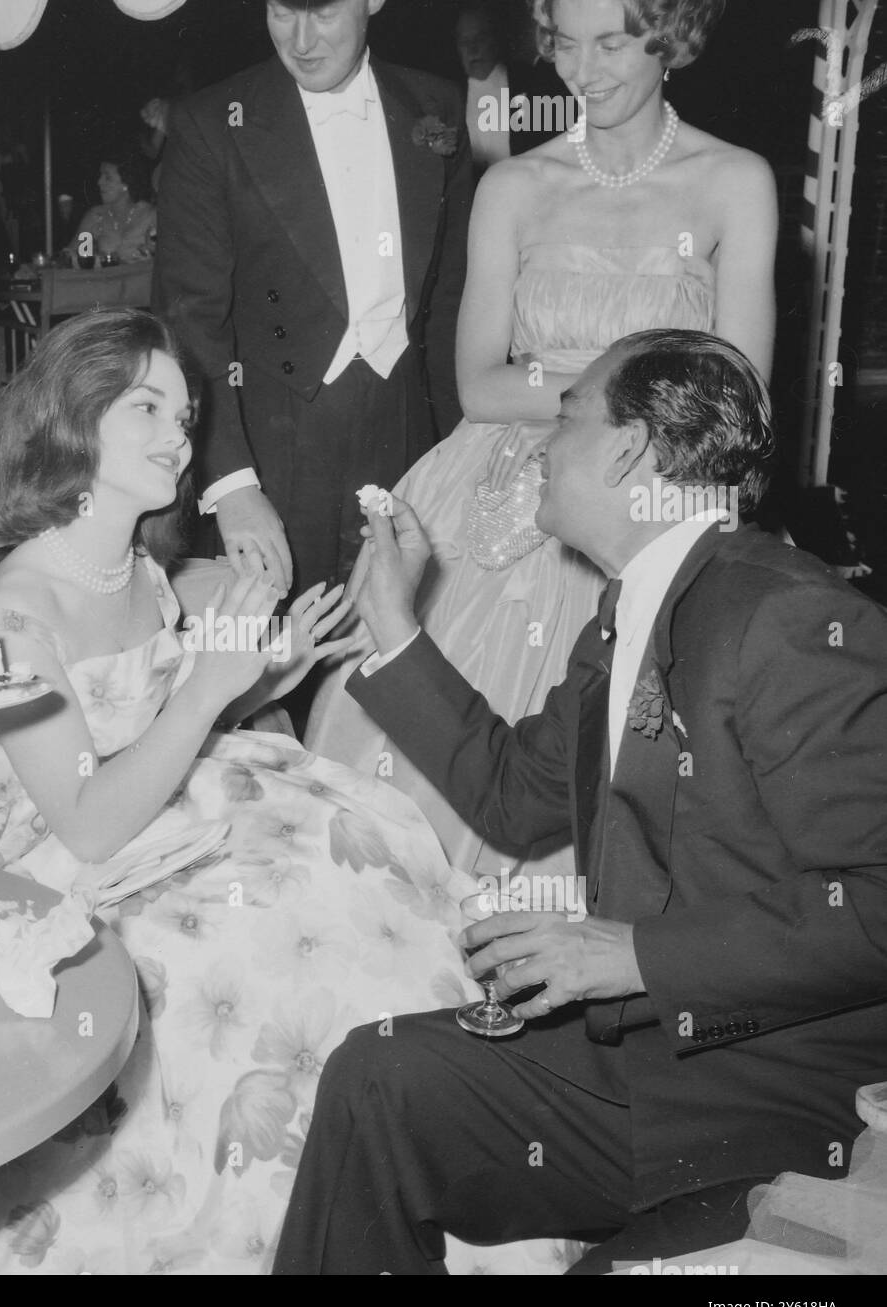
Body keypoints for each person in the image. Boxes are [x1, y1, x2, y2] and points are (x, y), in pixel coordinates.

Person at [0, 309, 495, 1275]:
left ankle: (383, 1206)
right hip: (78, 866)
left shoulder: (133, 565)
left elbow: (171, 715)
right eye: (149, 407)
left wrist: (273, 670)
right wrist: (214, 683)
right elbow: (86, 823)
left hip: (176, 809)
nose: (182, 433)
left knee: (354, 873)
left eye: (186, 409)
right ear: (75, 423)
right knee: (258, 957)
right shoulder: (17, 607)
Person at [273, 329, 887, 1275]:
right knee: (378, 1077)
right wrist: (392, 621)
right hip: (652, 1064)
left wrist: (631, 953)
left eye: (564, 419)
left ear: (630, 449)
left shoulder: (785, 615)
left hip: (778, 1097)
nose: (534, 446)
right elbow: (517, 798)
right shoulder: (632, 605)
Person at [307, 0, 775, 882]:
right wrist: (620, 405)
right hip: (505, 479)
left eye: (611, 43)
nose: (583, 71)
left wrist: (621, 421)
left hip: (663, 497)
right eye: (564, 43)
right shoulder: (513, 187)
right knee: (422, 782)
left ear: (670, 38)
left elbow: (740, 398)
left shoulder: (734, 182)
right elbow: (480, 381)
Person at [153, 0, 473, 599]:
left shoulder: (437, 106)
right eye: (282, 11)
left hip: (408, 428)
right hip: (274, 444)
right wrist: (232, 485)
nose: (301, 41)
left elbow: (450, 297)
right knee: (283, 659)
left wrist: (463, 451)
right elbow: (189, 322)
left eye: (323, 13)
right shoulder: (210, 123)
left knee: (401, 643)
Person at [454, 0, 564, 169]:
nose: (473, 49)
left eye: (480, 38)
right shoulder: (449, 95)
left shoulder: (531, 81)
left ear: (495, 38)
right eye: (464, 41)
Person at [70, 152, 157, 263]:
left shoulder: (149, 215)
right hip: (107, 279)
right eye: (100, 176)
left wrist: (153, 253)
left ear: (126, 184)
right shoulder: (95, 216)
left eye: (108, 178)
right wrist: (90, 248)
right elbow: (72, 257)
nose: (99, 182)